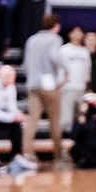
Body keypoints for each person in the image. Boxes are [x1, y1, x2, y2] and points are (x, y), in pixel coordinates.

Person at [20, 14, 67, 164]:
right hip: (49, 83)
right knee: (55, 120)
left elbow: (26, 63)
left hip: (33, 83)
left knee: (32, 120)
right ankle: (58, 155)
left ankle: (27, 154)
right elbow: (55, 57)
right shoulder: (54, 39)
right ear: (56, 25)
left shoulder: (31, 39)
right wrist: (66, 69)